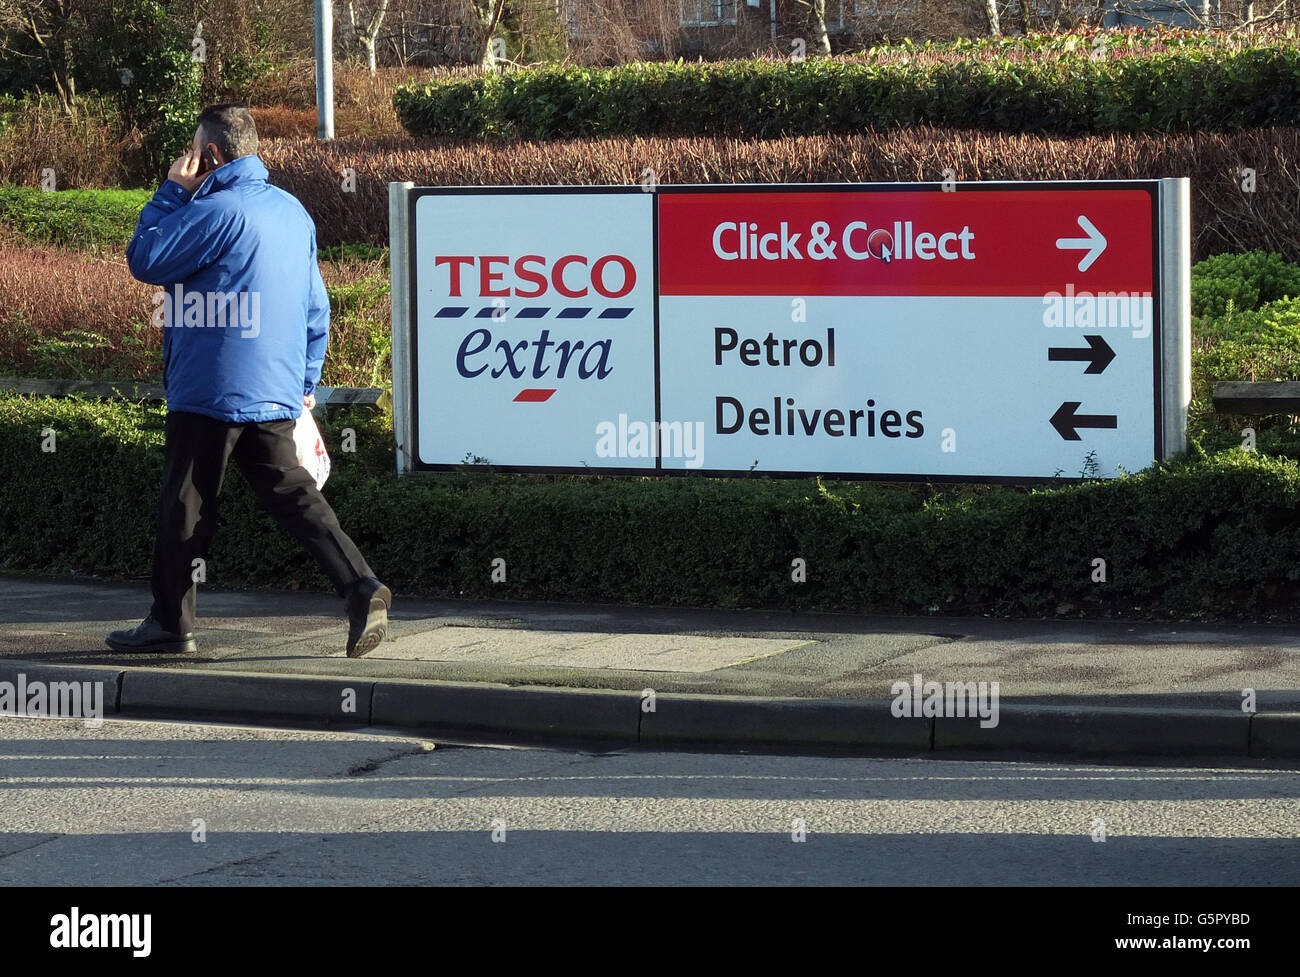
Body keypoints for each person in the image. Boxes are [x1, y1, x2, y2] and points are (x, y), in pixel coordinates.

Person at [107, 104, 391, 658]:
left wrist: (171, 192)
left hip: (210, 388)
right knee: (295, 496)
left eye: (193, 150)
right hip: (274, 388)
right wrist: (305, 380)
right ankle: (362, 586)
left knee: (185, 506)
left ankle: (171, 623)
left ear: (210, 154)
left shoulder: (215, 209)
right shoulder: (293, 213)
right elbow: (316, 307)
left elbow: (145, 258)